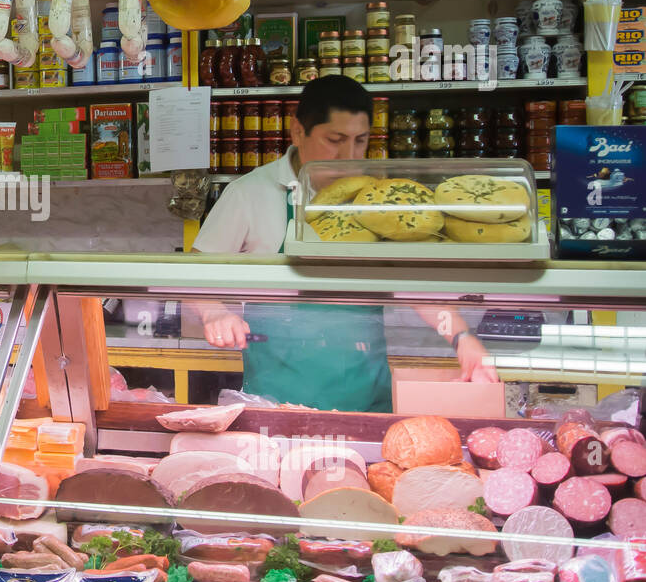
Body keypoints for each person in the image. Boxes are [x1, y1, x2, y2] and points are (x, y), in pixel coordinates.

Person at [191, 75, 497, 412]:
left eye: (360, 141)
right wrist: (214, 313)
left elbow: (414, 287)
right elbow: (194, 277)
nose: (349, 156)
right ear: (297, 131)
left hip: (365, 403)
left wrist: (461, 337)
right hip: (275, 406)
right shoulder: (249, 194)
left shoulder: (378, 201)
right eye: (335, 140)